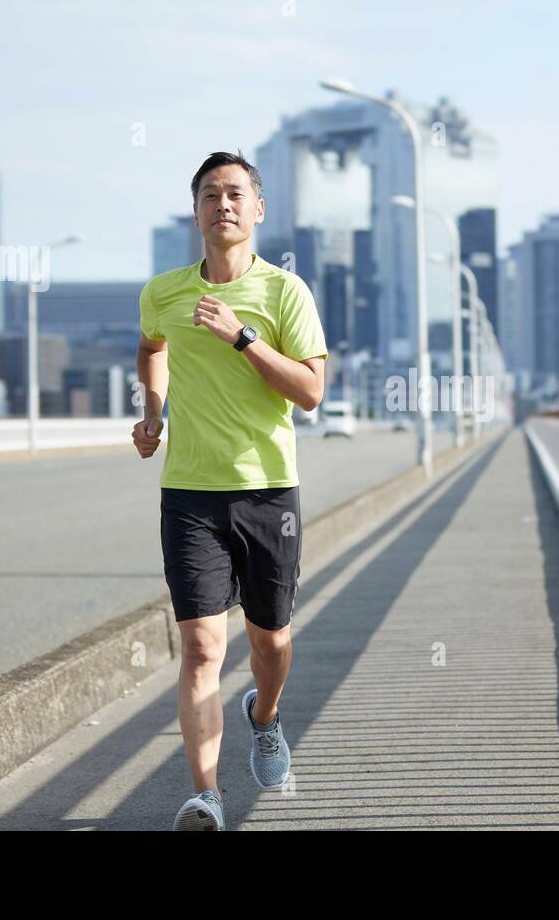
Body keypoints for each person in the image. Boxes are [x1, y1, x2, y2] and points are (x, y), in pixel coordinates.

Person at [132, 150, 328, 831]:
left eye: (236, 193)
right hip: (189, 492)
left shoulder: (284, 293)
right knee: (200, 648)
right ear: (195, 212)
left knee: (269, 643)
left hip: (268, 491)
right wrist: (154, 410)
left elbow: (310, 392)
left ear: (258, 209)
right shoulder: (164, 291)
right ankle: (206, 796)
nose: (224, 204)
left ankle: (265, 715)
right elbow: (151, 345)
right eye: (211, 194)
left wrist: (242, 337)